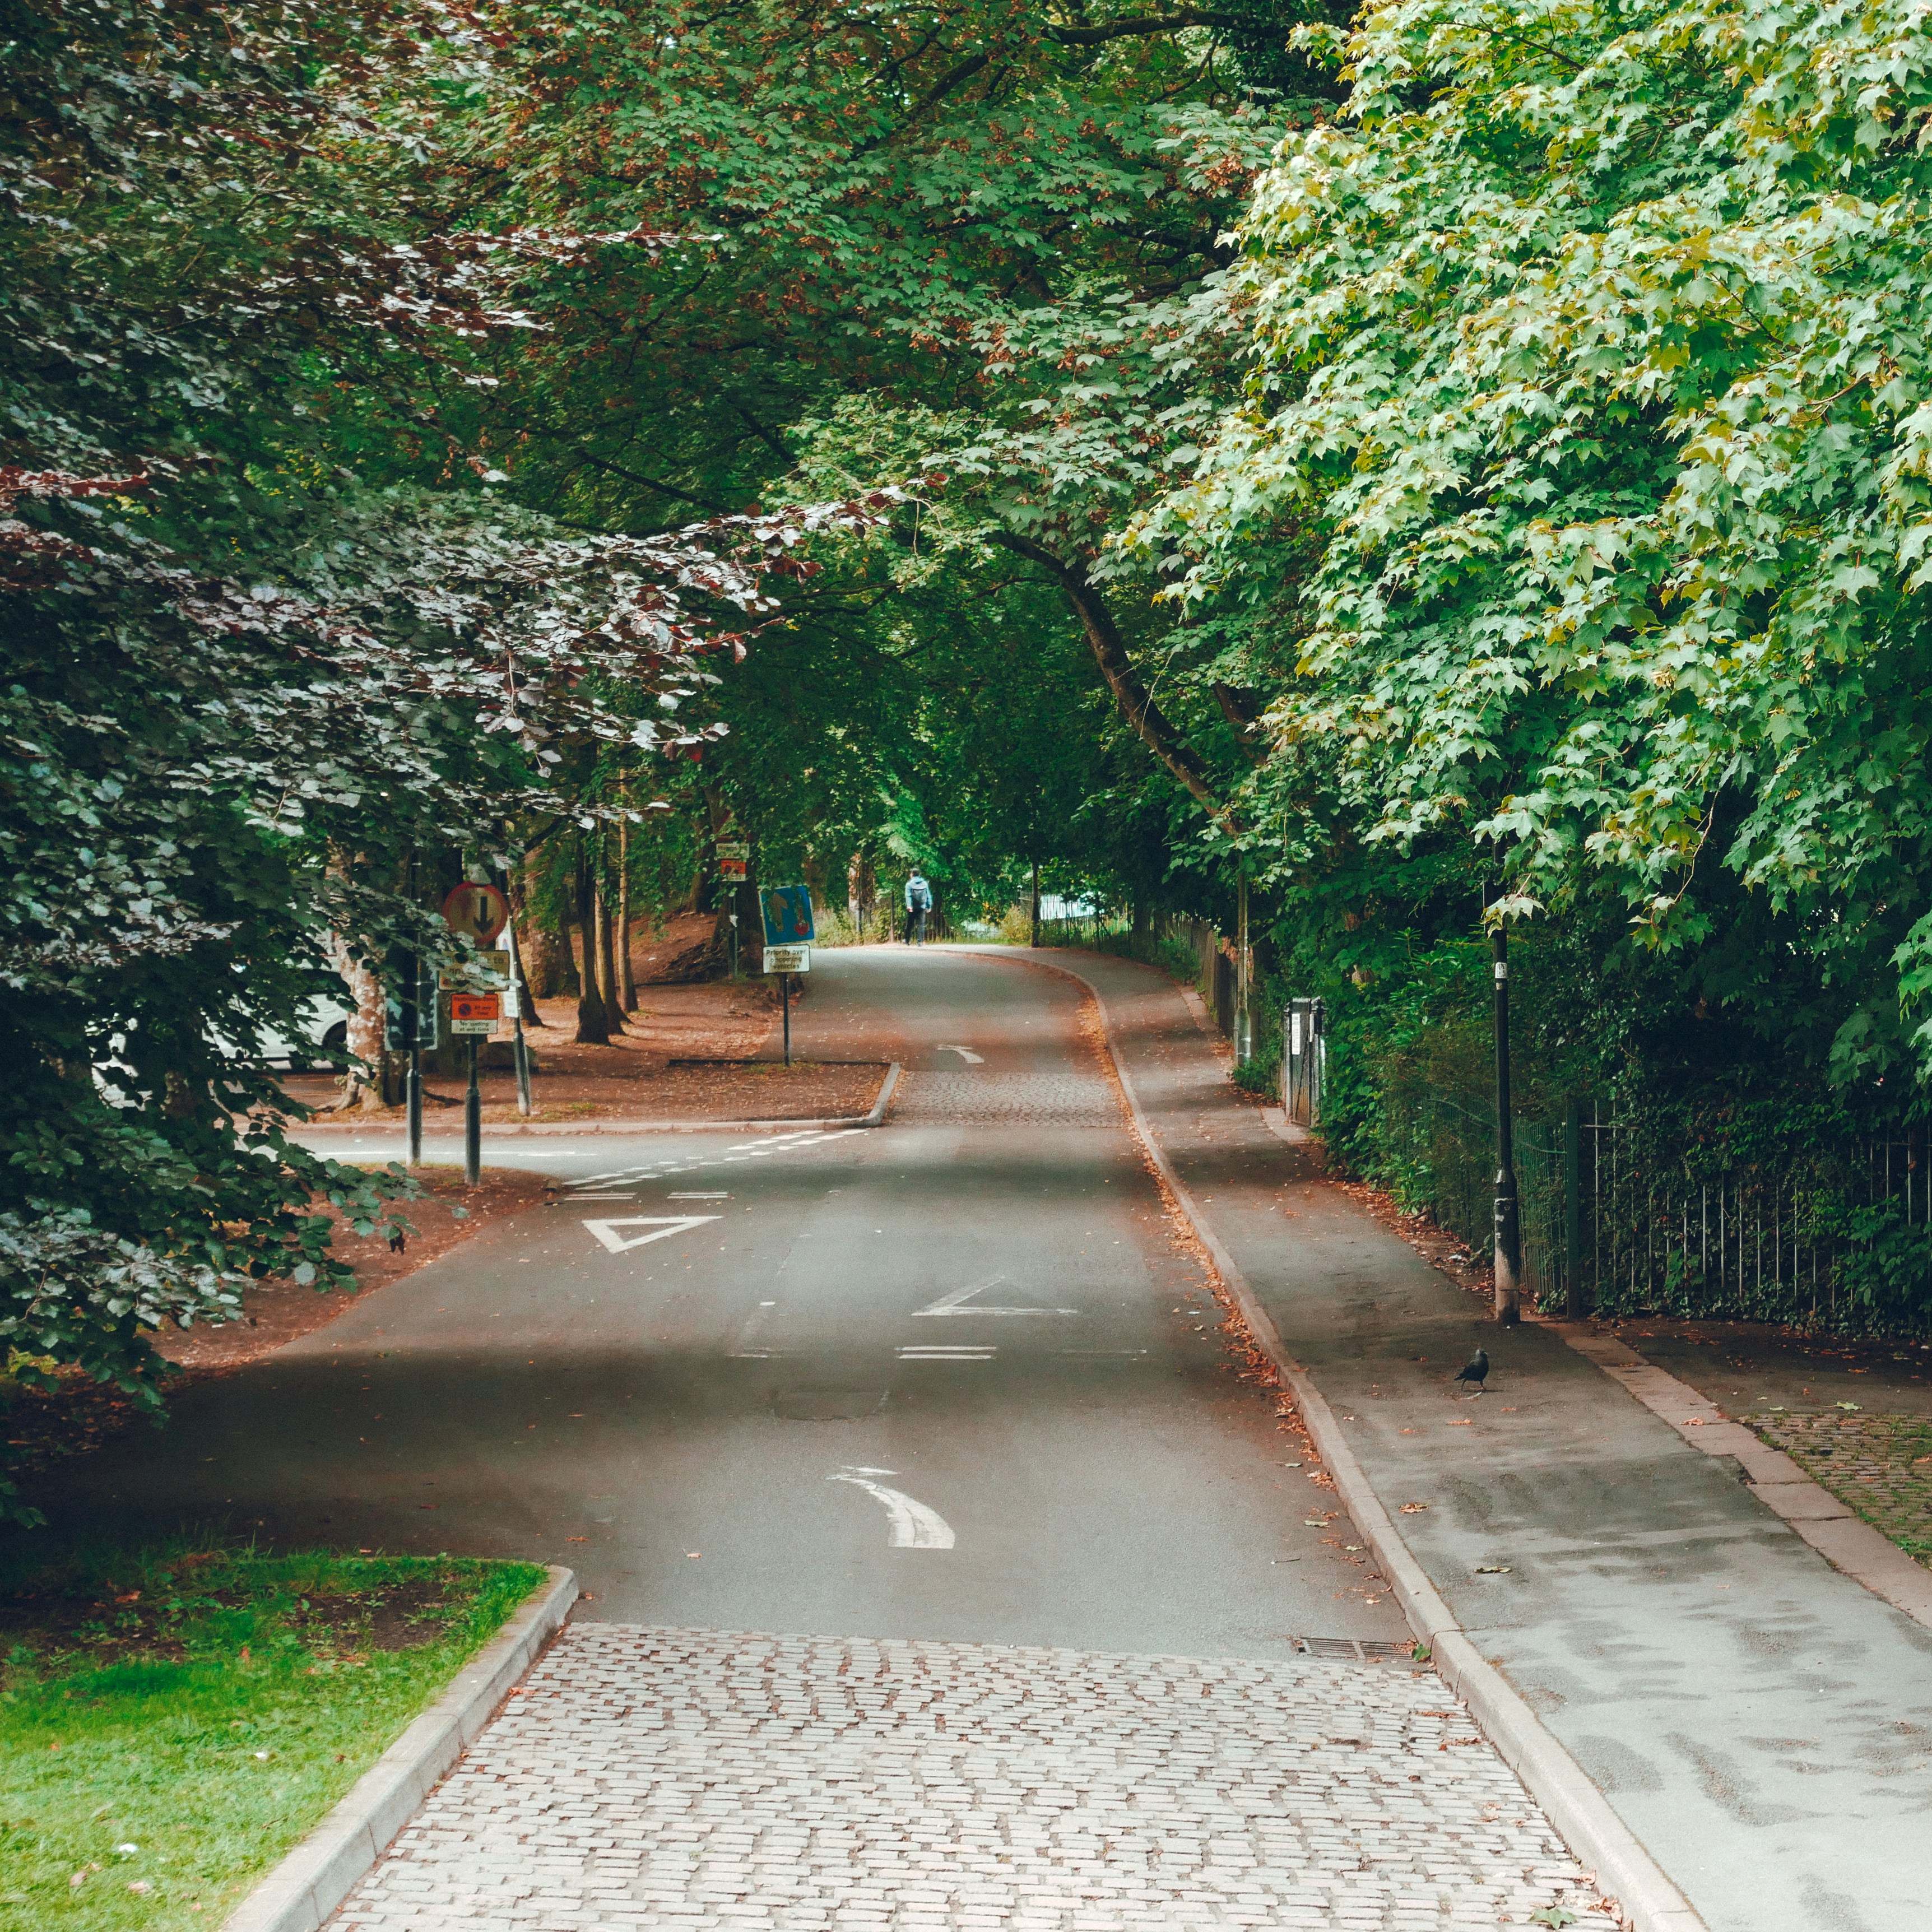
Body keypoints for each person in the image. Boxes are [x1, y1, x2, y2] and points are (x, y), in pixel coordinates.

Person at [903, 871, 932, 945]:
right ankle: (920, 941)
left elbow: (908, 896)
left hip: (912, 907)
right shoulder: (924, 883)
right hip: (922, 906)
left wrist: (909, 906)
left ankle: (907, 941)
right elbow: (928, 895)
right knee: (921, 924)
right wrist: (929, 906)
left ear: (912, 875)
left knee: (910, 924)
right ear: (919, 875)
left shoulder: (909, 884)